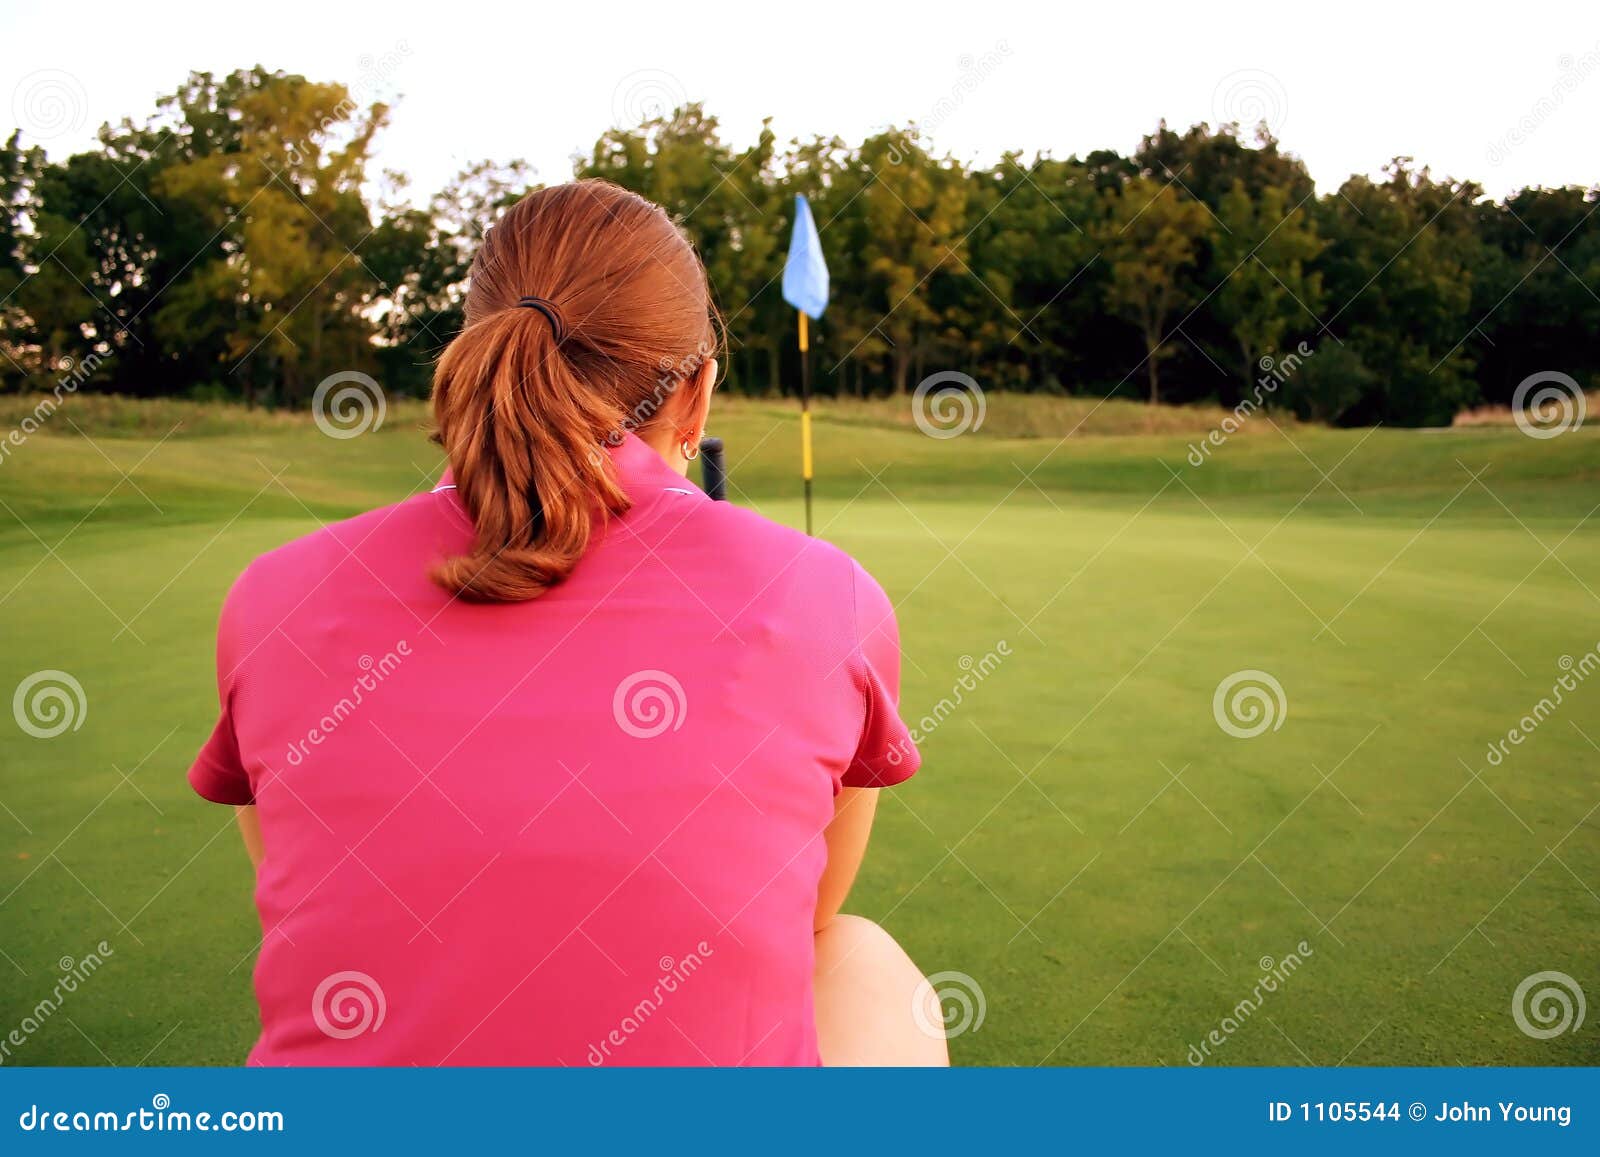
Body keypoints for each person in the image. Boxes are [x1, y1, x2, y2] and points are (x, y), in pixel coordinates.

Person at [187, 179, 945, 1066]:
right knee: (858, 955)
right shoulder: (828, 594)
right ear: (696, 394)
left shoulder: (270, 597)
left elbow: (301, 883)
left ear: (478, 357)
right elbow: (808, 910)